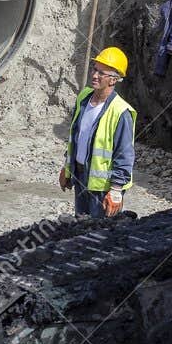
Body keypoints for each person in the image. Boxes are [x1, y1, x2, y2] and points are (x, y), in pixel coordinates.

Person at [60, 48, 136, 218]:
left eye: (101, 73)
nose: (94, 75)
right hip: (80, 176)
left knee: (101, 234)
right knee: (80, 229)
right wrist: (67, 168)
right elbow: (76, 138)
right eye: (94, 69)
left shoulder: (120, 112)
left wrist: (116, 190)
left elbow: (124, 155)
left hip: (103, 187)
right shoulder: (84, 98)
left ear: (113, 80)